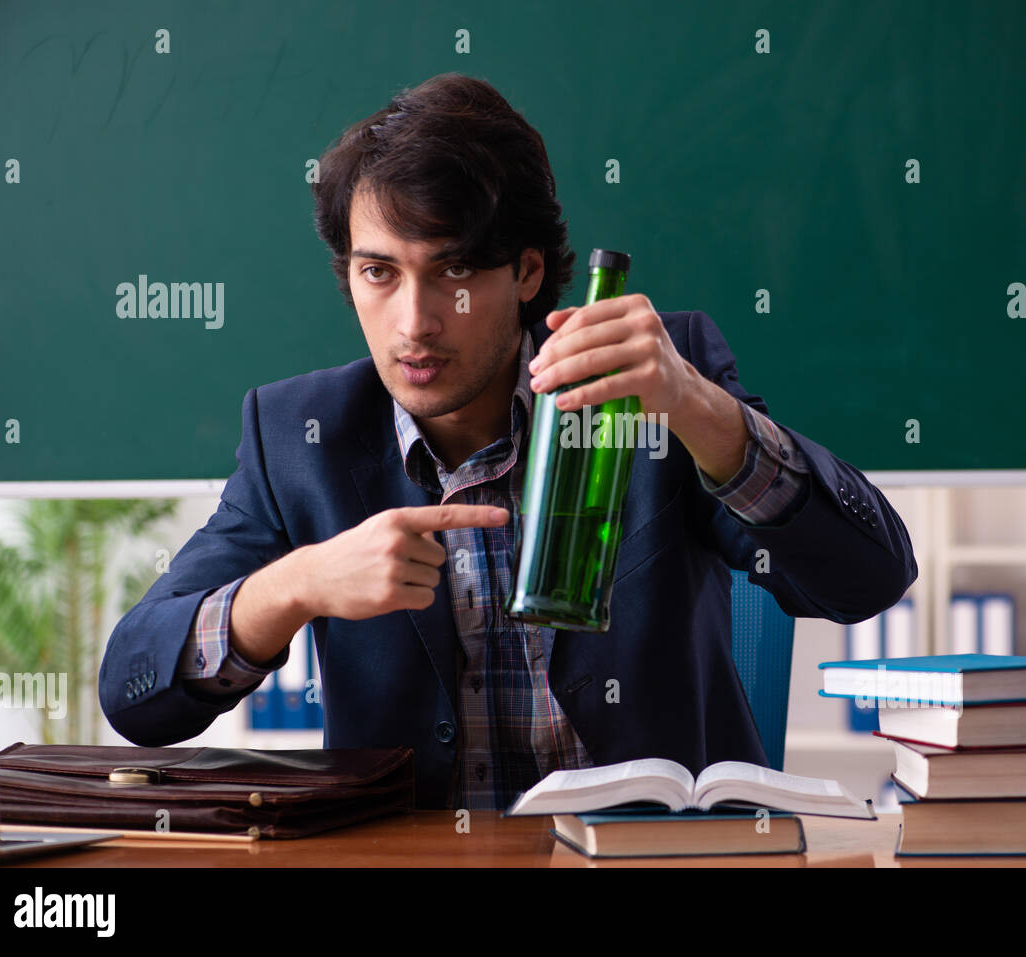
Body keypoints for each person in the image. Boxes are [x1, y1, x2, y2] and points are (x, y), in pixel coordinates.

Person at [100, 73, 918, 810]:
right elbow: (133, 690)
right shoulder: (299, 436)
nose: (414, 322)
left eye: (454, 271)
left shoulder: (655, 383)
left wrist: (701, 409)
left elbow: (870, 578)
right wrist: (298, 584)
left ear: (527, 273)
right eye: (379, 272)